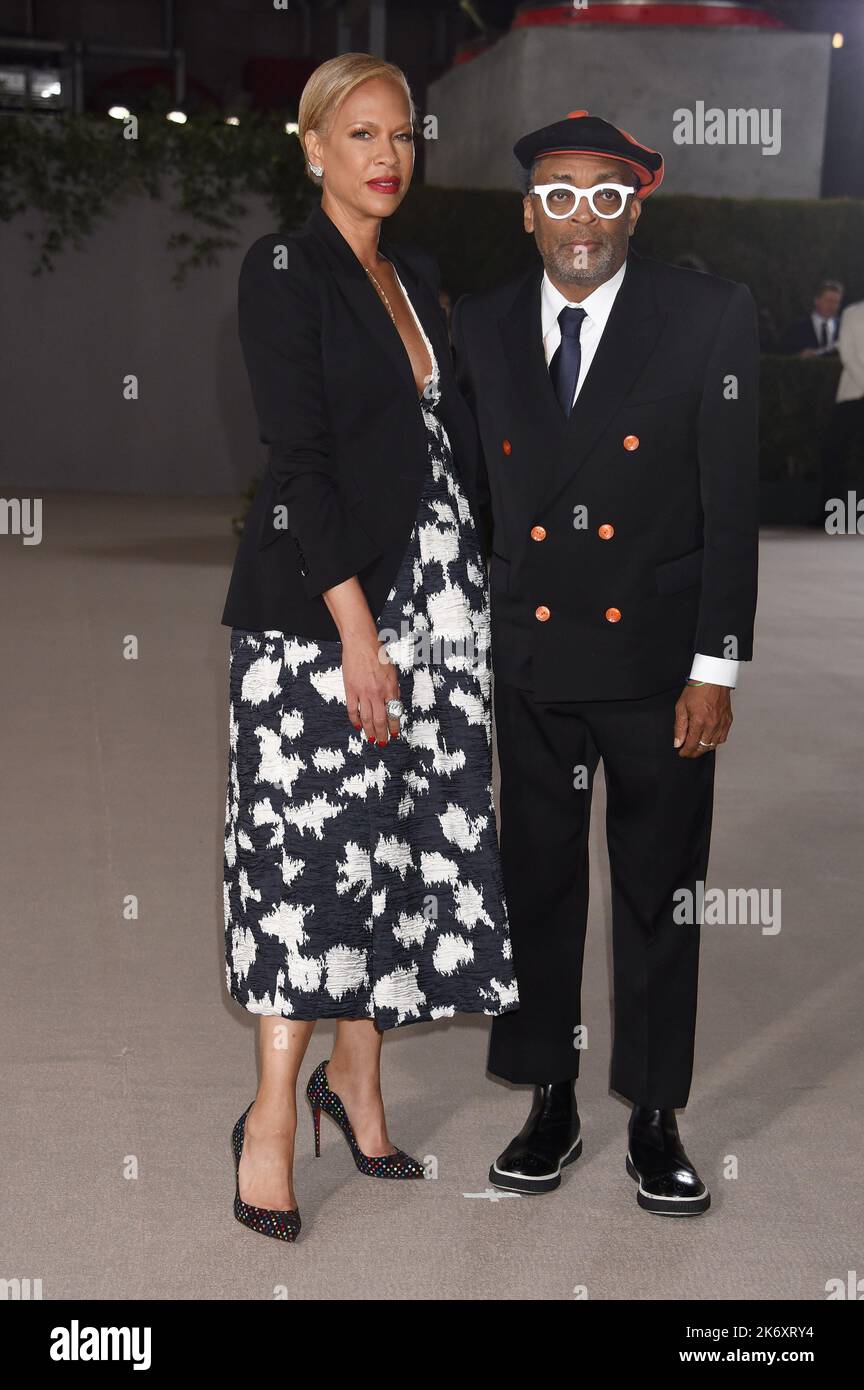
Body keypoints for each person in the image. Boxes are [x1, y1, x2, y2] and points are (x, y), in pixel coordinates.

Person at [220, 52, 518, 1242]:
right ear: (311, 148)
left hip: (439, 616)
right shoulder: (282, 271)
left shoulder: (417, 275)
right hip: (322, 620)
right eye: (360, 134)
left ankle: (360, 1081)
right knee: (311, 862)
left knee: (392, 848)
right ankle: (271, 1123)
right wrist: (357, 634)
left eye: (402, 134)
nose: (388, 155)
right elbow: (298, 467)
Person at [451, 111, 759, 1215]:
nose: (584, 215)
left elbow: (732, 504)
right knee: (538, 887)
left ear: (638, 206)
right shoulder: (480, 325)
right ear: (530, 213)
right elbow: (473, 498)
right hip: (532, 659)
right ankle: (549, 1100)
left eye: (607, 193)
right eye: (562, 193)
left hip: (658, 664)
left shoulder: (707, 316)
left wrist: (717, 669)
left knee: (658, 896)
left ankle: (657, 1115)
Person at [819, 298, 864, 521]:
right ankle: (831, 514)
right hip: (852, 394)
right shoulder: (852, 312)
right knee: (834, 453)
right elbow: (847, 353)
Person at [780, 280, 843, 356]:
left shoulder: (844, 328)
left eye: (836, 302)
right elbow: (783, 356)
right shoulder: (796, 328)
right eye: (828, 301)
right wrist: (799, 356)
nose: (832, 306)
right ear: (816, 301)